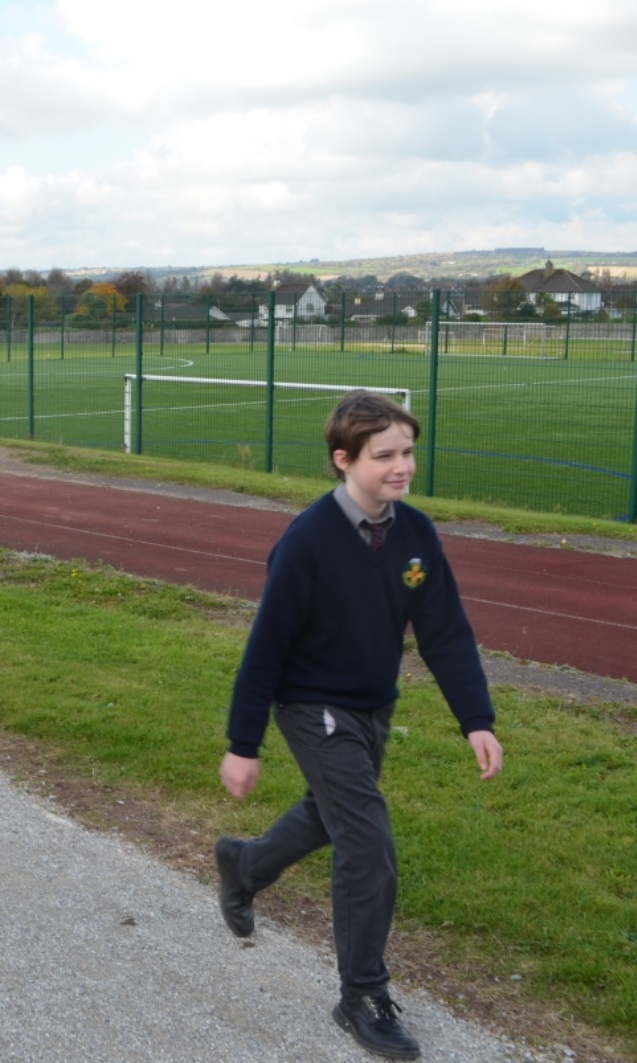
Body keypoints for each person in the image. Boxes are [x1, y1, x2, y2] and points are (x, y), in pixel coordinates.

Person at [214, 390, 503, 1061]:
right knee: (366, 841)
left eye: (407, 451)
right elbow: (265, 648)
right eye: (384, 456)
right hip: (310, 703)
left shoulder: (414, 534)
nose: (401, 466)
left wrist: (475, 720)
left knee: (331, 813)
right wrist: (242, 741)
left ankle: (244, 863)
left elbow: (445, 632)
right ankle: (361, 995)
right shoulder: (307, 541)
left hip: (372, 705)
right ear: (342, 460)